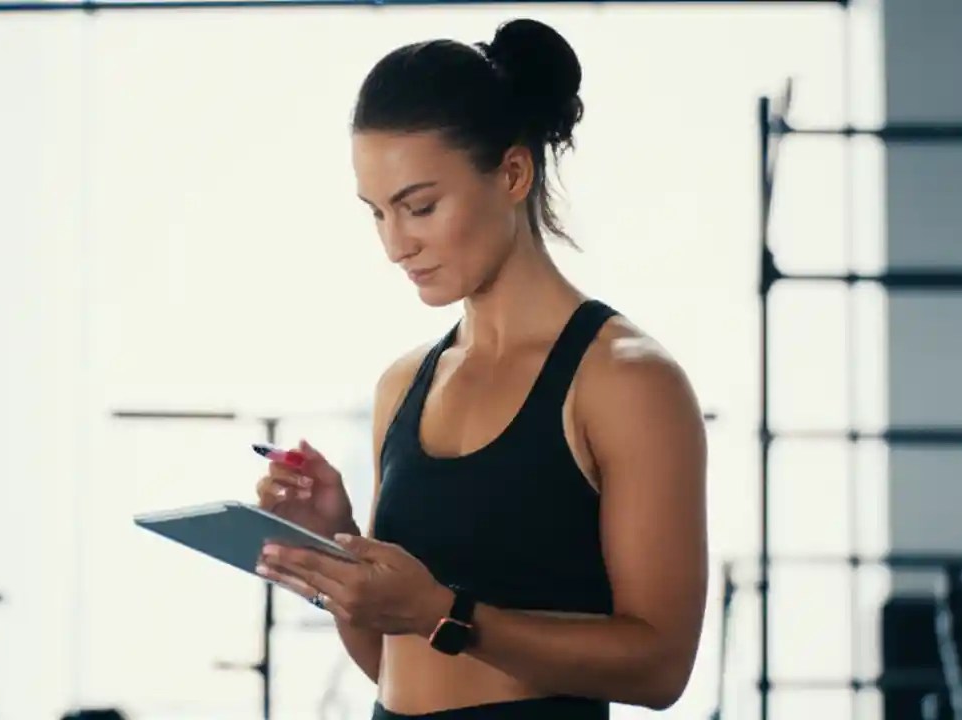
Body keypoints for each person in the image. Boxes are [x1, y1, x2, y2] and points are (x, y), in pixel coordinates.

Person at [253, 17, 708, 720]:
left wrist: (445, 611)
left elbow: (660, 667)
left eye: (420, 207)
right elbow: (393, 664)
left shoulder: (626, 380)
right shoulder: (403, 385)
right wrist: (335, 548)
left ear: (513, 173)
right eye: (377, 215)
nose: (396, 245)